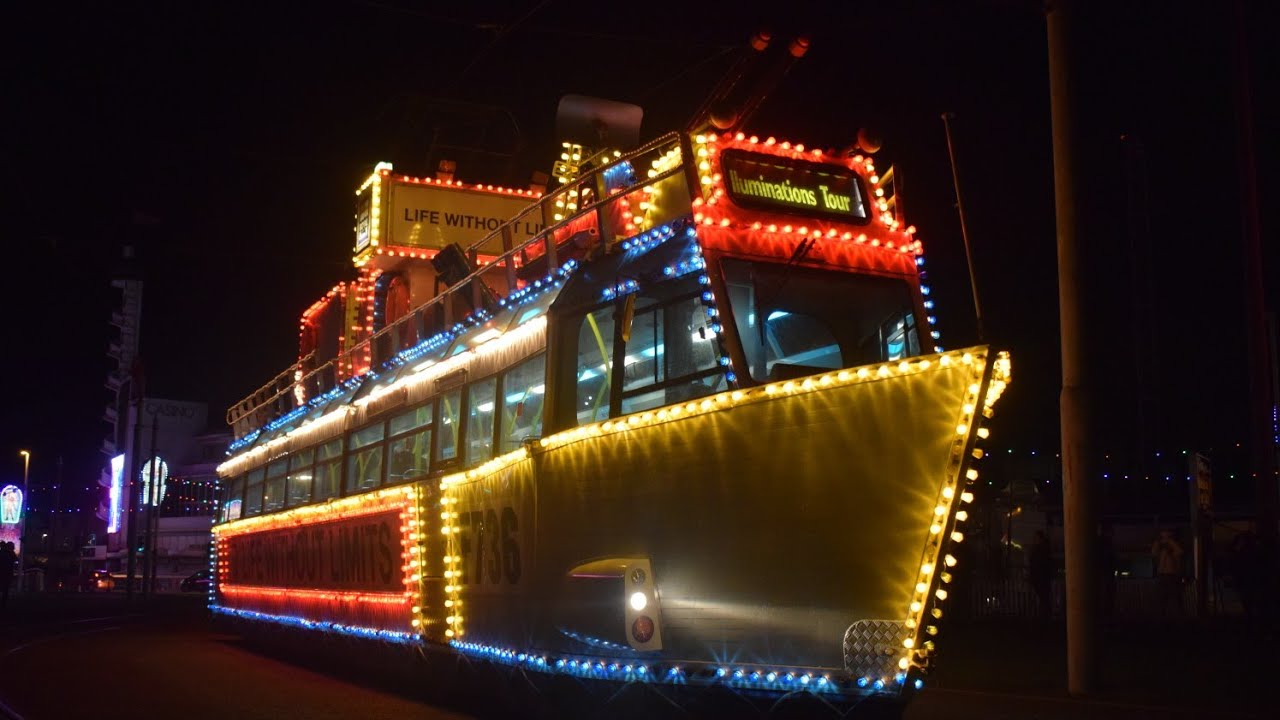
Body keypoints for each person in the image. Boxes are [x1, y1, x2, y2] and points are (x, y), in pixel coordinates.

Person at [1152, 529, 1184, 618]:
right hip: (1162, 575)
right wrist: (1160, 541)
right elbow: (1154, 552)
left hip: (1171, 576)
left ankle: (1176, 618)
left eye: (1167, 533)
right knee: (1161, 600)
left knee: (1174, 600)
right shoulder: (1160, 547)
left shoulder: (1174, 547)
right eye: (1163, 533)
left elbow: (1180, 552)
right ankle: (1161, 618)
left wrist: (1169, 541)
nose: (1165, 534)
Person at [1028, 530, 1053, 621]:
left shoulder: (1038, 550)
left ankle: (1042, 617)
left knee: (1042, 599)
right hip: (1042, 578)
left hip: (1039, 578)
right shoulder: (1045, 549)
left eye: (1036, 538)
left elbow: (1034, 562)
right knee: (1044, 599)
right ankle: (1045, 616)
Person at [0, 541, 17, 609]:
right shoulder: (11, 553)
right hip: (7, 573)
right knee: (5, 589)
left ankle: (3, 603)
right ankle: (3, 604)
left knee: (4, 588)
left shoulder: (2, 552)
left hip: (3, 572)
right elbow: (16, 559)